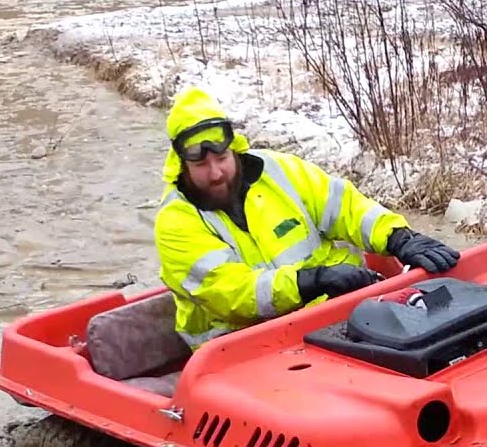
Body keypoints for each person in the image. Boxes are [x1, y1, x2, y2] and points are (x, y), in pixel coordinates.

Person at [153, 86, 461, 349]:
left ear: (234, 149)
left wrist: (398, 237)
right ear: (182, 166)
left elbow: (345, 206)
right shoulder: (175, 222)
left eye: (221, 159)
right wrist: (312, 281)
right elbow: (235, 294)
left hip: (341, 312)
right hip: (246, 350)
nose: (217, 174)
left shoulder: (280, 171)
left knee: (450, 328)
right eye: (202, 166)